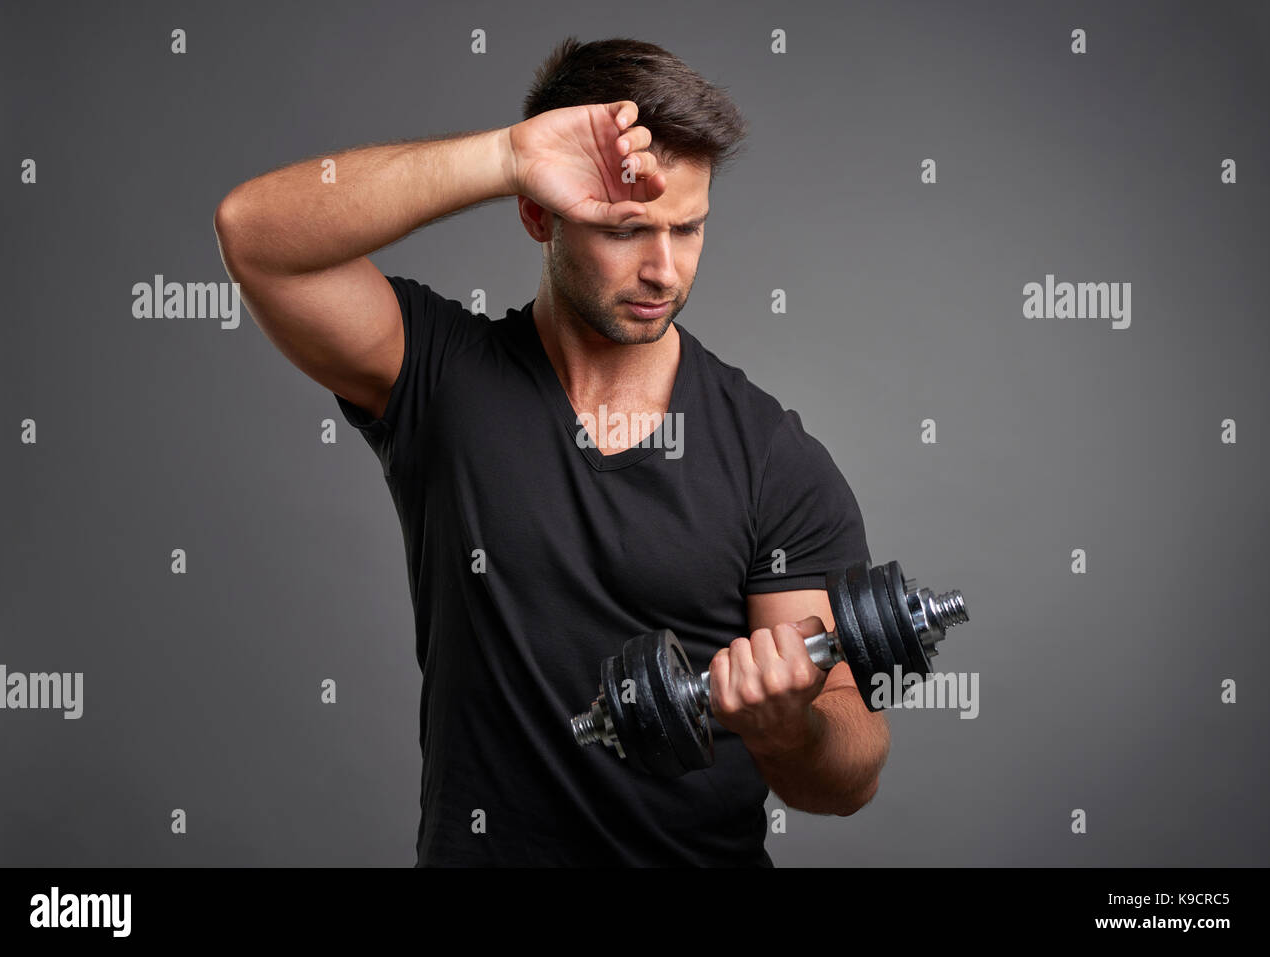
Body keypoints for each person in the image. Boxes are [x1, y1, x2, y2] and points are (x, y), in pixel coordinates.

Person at [213, 35, 889, 867]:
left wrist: (793, 729)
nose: (663, 271)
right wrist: (504, 155)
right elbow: (253, 235)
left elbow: (850, 772)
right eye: (627, 229)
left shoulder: (772, 460)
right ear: (540, 213)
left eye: (688, 227)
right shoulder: (441, 379)